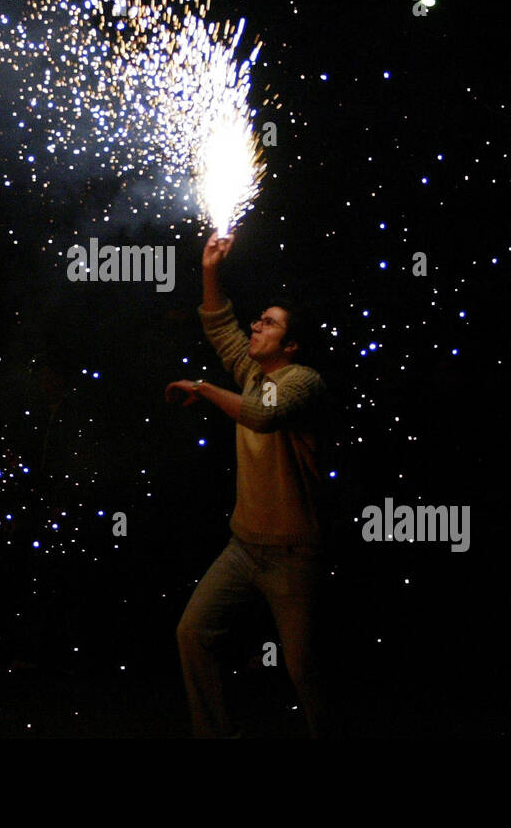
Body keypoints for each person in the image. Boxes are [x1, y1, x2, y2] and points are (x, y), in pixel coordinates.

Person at [167, 231, 336, 737]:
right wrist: (211, 269)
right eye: (258, 319)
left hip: (292, 552)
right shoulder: (252, 373)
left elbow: (264, 417)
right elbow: (220, 326)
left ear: (291, 344)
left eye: (269, 324)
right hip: (244, 546)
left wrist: (203, 388)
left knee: (305, 669)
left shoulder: (303, 381)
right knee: (193, 634)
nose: (256, 326)